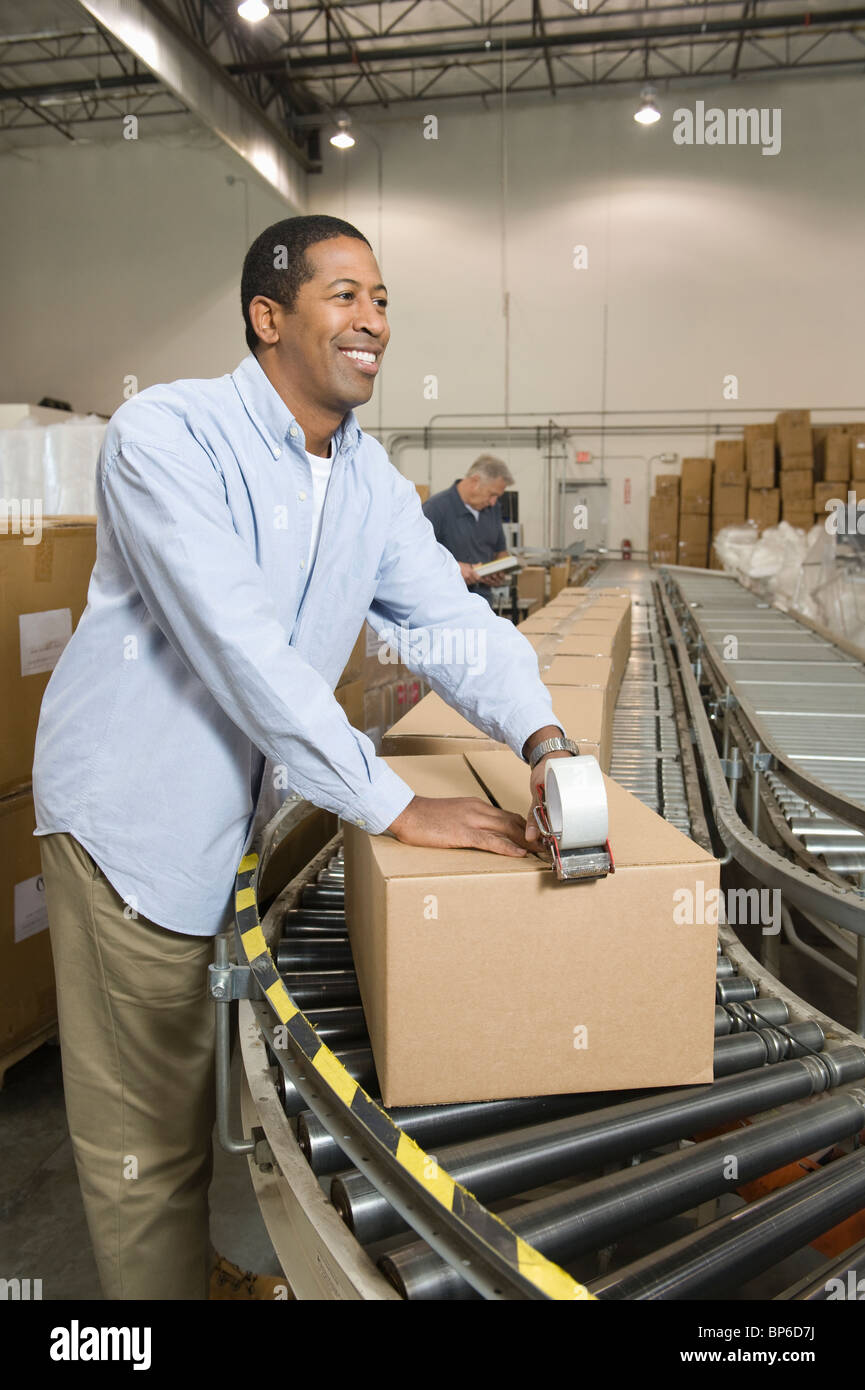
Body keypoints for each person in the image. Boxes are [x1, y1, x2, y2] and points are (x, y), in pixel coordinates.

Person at [32, 215, 578, 1301]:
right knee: (149, 1143)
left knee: (208, 1091)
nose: (372, 318)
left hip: (239, 825)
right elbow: (242, 650)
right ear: (267, 317)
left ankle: (199, 1273)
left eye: (382, 299)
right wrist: (389, 804)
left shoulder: (366, 479)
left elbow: (446, 622)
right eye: (343, 294)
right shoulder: (165, 436)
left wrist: (542, 738)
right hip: (131, 830)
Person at [423, 457, 515, 603]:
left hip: (483, 601)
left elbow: (500, 550)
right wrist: (455, 568)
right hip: (445, 602)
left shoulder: (493, 509)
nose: (493, 502)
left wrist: (499, 571)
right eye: (492, 495)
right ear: (475, 481)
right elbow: (419, 556)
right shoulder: (435, 508)